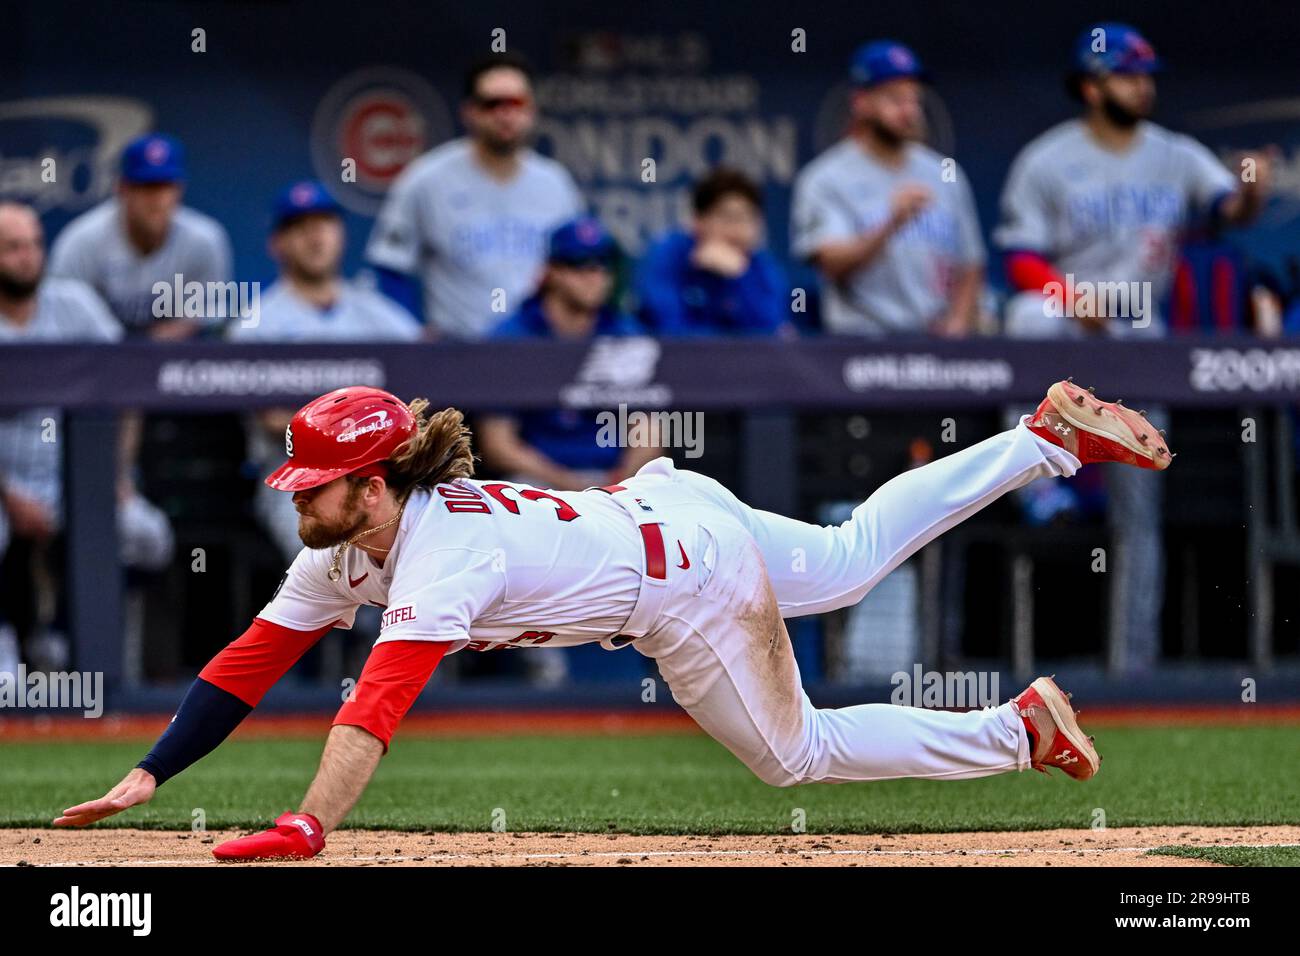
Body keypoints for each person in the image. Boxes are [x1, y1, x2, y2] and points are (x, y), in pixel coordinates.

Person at [55, 378, 1175, 860]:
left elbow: (374, 706)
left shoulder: (442, 546)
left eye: (313, 482)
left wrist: (309, 824)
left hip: (679, 588)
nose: (294, 496)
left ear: (373, 481)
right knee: (843, 562)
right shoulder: (349, 545)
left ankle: (1015, 731)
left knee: (798, 758)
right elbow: (249, 662)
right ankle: (1041, 439)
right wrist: (150, 774)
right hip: (666, 506)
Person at [993, 22, 1271, 672]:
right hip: (1068, 317)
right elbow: (1018, 259)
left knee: (1138, 507)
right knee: (1026, 316)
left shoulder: (1173, 152)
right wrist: (1069, 296)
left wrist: (1252, 190)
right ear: (1091, 87)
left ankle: (1134, 666)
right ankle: (1034, 481)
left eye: (1146, 75)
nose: (1142, 87)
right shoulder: (1046, 158)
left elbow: (1229, 208)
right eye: (1127, 75)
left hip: (1135, 325)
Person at [0, 202, 172, 674]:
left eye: (34, 245)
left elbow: (128, 384)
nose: (27, 257)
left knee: (148, 534)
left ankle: (84, 639)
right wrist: (9, 497)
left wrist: (116, 474)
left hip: (74, 477)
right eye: (13, 248)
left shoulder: (72, 303)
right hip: (5, 485)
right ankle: (12, 647)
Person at [229, 180, 421, 565]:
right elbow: (271, 420)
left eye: (324, 223)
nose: (315, 236)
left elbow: (428, 373)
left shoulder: (378, 314)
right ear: (277, 244)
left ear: (341, 235)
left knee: (428, 543)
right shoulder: (256, 324)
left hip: (385, 473)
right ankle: (350, 626)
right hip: (300, 481)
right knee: (334, 559)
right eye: (300, 227)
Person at [365, 53, 583, 338]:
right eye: (492, 104)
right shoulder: (426, 179)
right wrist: (410, 334)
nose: (505, 114)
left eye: (516, 103)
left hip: (538, 349)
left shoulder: (556, 184)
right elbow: (390, 268)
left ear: (532, 111)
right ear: (469, 111)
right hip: (456, 350)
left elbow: (583, 265)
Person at [791, 40, 985, 336]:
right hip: (860, 343)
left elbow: (970, 264)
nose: (909, 111)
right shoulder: (824, 178)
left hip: (937, 342)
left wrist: (957, 326)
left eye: (914, 99)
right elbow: (831, 263)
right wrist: (890, 223)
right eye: (895, 99)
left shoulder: (945, 173)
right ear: (861, 102)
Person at [479, 217, 658, 492]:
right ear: (552, 271)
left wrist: (615, 484)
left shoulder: (626, 333)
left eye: (601, 265)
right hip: (537, 482)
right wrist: (569, 485)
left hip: (615, 481)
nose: (593, 276)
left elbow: (649, 434)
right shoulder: (512, 335)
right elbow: (498, 445)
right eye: (578, 265)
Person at [47, 133, 233, 340]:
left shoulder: (204, 240)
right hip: (96, 359)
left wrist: (150, 347)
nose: (157, 200)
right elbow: (60, 317)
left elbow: (210, 315)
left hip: (172, 357)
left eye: (165, 187)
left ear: (179, 190)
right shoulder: (81, 242)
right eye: (146, 187)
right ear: (122, 189)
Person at [636, 168, 791, 335]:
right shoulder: (668, 255)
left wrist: (740, 277)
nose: (739, 229)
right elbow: (668, 328)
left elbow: (770, 334)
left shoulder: (761, 267)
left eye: (748, 218)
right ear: (698, 220)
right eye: (728, 217)